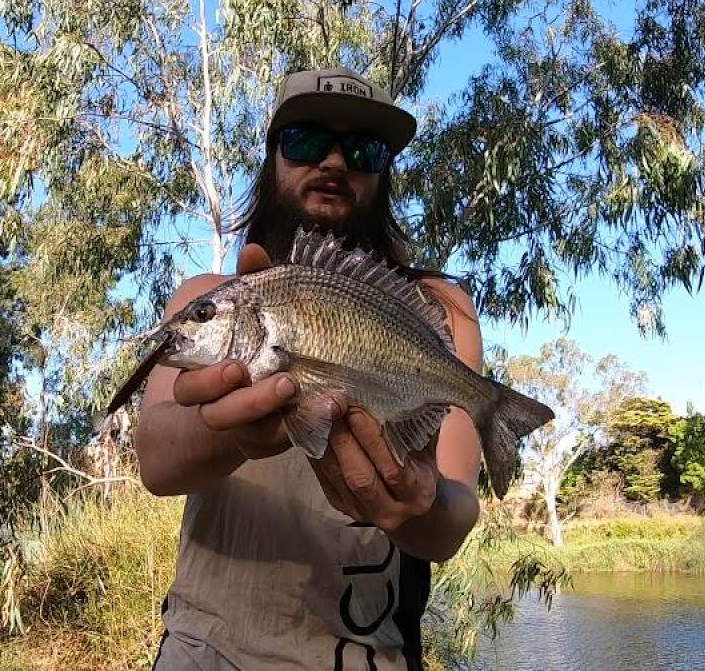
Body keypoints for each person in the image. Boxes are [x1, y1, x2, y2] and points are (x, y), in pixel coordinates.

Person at [134, 68, 488, 671]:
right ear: (271, 159)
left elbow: (452, 521)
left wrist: (422, 504)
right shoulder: (207, 295)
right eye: (305, 141)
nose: (333, 162)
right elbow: (156, 463)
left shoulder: (440, 312)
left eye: (363, 150)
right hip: (203, 650)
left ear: (384, 175)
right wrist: (231, 434)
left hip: (365, 656)